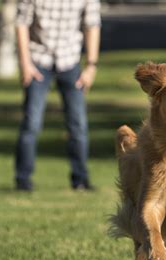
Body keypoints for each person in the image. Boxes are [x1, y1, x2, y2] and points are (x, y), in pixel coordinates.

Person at [14, 0, 101, 191]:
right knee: (31, 122)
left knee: (78, 124)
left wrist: (91, 67)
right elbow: (21, 23)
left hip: (70, 60)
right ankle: (23, 180)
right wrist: (25, 63)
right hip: (38, 61)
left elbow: (92, 25)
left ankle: (80, 180)